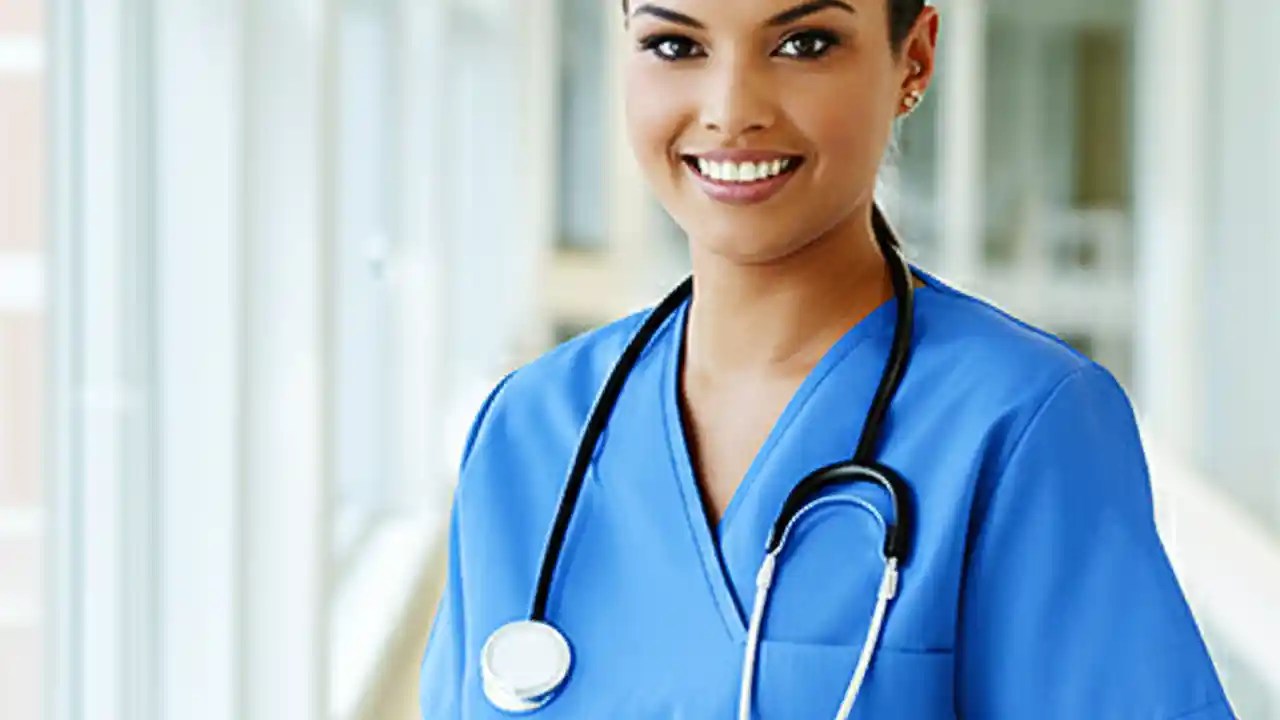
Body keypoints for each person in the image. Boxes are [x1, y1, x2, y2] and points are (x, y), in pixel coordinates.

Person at [420, 0, 1235, 716]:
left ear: (913, 60)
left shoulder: (1021, 424)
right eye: (676, 45)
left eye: (804, 43)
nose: (731, 110)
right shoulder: (529, 430)